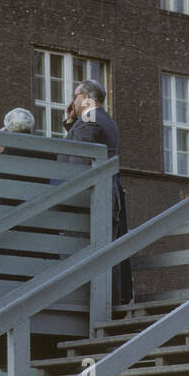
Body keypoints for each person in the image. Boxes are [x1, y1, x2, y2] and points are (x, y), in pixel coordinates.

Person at [64, 79, 133, 307]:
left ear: (86, 98)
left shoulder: (90, 120)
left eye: (75, 97)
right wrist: (71, 122)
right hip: (109, 191)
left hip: (93, 196)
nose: (72, 102)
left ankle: (99, 304)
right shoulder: (104, 119)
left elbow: (80, 157)